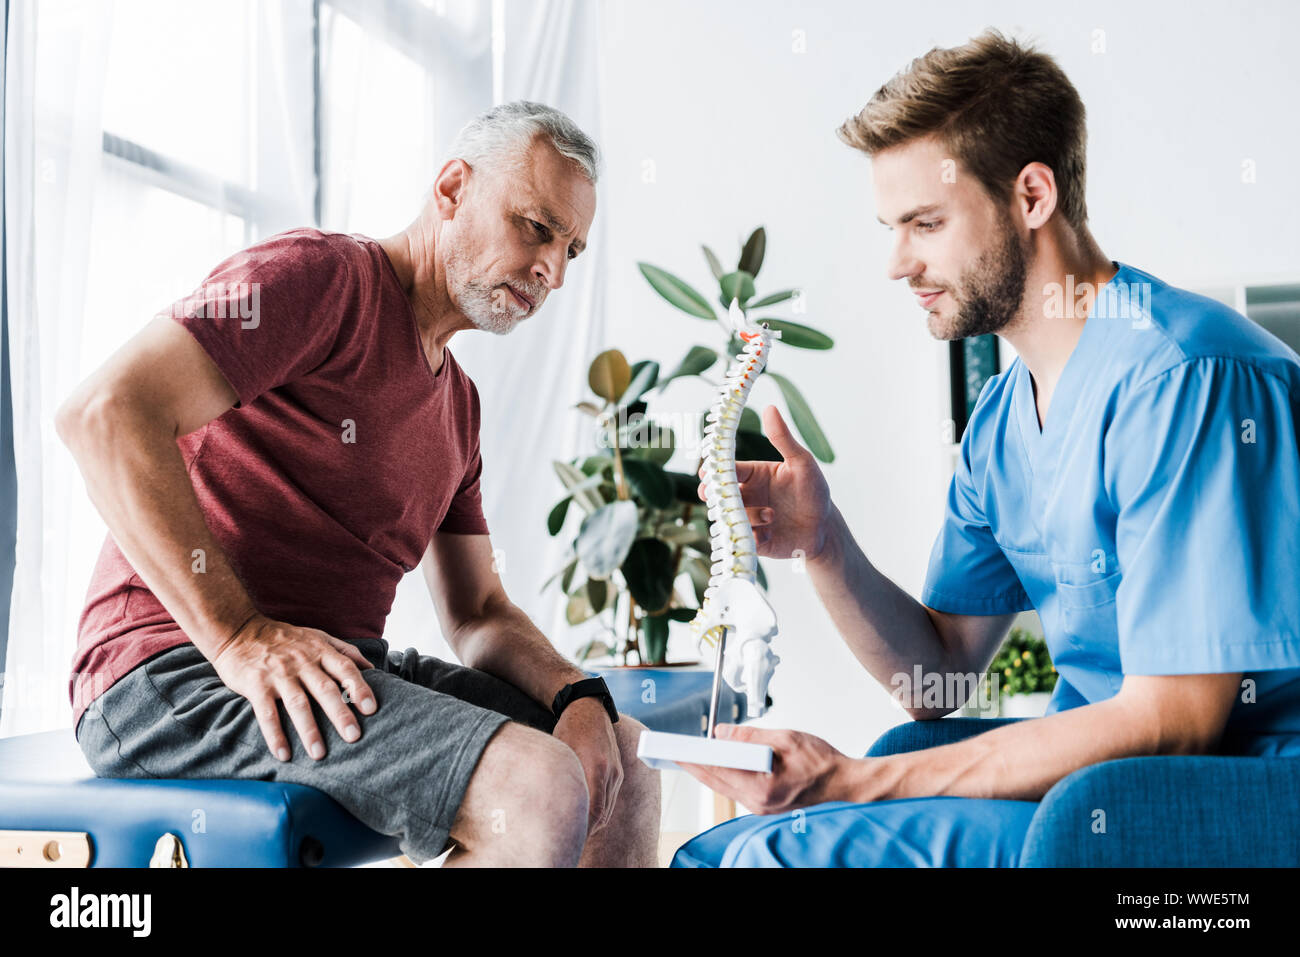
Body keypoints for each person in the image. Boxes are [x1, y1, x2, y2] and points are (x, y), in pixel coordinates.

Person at [672, 28, 1300, 867]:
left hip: (1218, 793)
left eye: (925, 223)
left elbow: (1174, 719)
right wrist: (824, 544)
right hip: (1084, 792)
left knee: (772, 858)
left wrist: (853, 781)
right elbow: (938, 673)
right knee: (724, 848)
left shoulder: (1185, 379)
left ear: (1032, 195)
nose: (898, 263)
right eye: (891, 228)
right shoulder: (1004, 419)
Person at [59, 101, 660, 868]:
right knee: (538, 787)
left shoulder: (459, 407)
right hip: (173, 673)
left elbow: (477, 611)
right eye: (537, 227)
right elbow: (104, 414)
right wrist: (241, 637)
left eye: (572, 248)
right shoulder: (322, 280)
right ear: (451, 190)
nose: (554, 271)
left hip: (339, 667)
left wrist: (579, 696)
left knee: (625, 756)